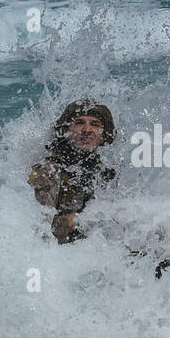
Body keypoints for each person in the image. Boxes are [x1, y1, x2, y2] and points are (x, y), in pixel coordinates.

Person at [28, 98, 116, 243]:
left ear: (104, 135)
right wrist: (79, 219)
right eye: (80, 122)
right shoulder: (46, 171)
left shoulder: (106, 171)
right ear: (65, 130)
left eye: (95, 124)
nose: (87, 130)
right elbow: (40, 226)